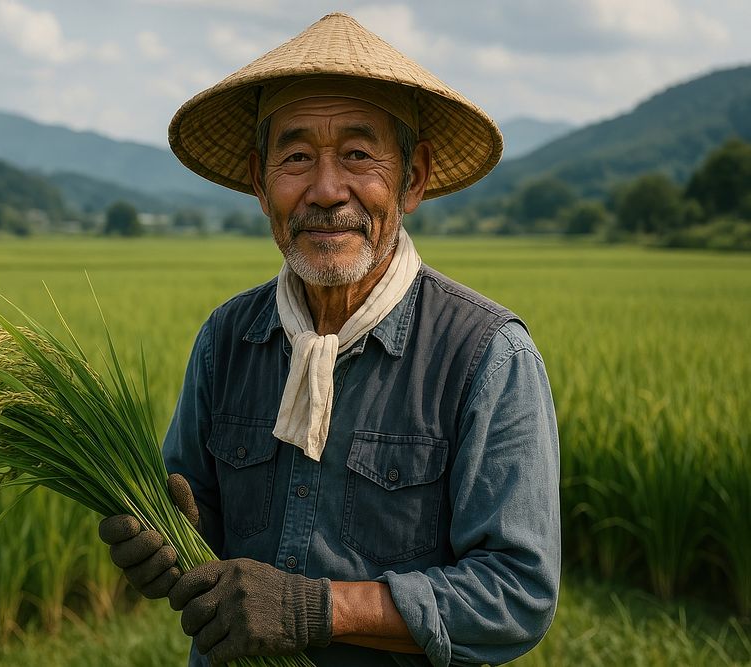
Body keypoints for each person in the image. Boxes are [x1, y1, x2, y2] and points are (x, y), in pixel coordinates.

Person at [99, 12, 560, 667]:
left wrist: (313, 610)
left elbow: (518, 595)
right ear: (261, 183)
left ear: (414, 177)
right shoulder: (228, 338)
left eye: (358, 154)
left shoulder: (486, 355)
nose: (324, 189)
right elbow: (199, 520)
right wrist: (168, 538)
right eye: (295, 157)